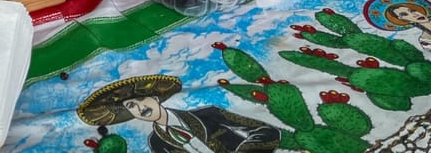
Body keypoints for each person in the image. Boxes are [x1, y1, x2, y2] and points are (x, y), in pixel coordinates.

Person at [77, 74, 281, 152]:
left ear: (156, 98)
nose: (140, 108)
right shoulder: (157, 143)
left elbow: (267, 131)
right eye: (131, 107)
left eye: (141, 100)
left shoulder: (209, 113)